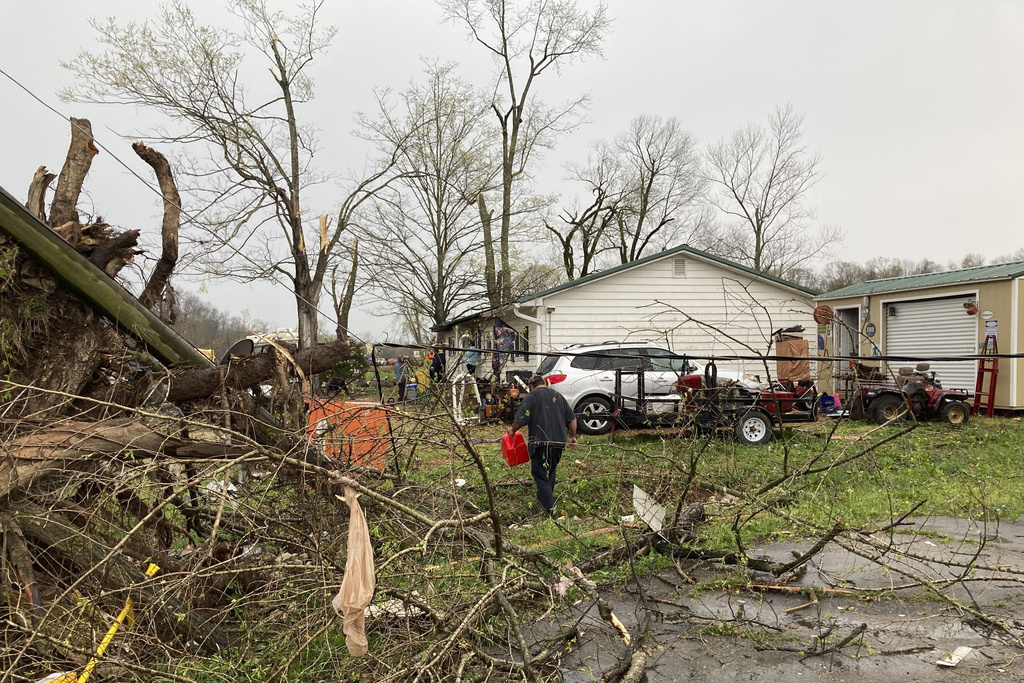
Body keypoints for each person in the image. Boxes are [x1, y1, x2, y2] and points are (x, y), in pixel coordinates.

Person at [509, 375, 578, 516]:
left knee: (540, 475)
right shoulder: (557, 395)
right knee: (550, 473)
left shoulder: (531, 397)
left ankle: (551, 512)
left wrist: (512, 430)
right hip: (558, 443)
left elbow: (521, 419)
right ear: (544, 383)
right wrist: (571, 437)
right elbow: (572, 419)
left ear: (532, 386)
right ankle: (545, 502)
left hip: (540, 443)